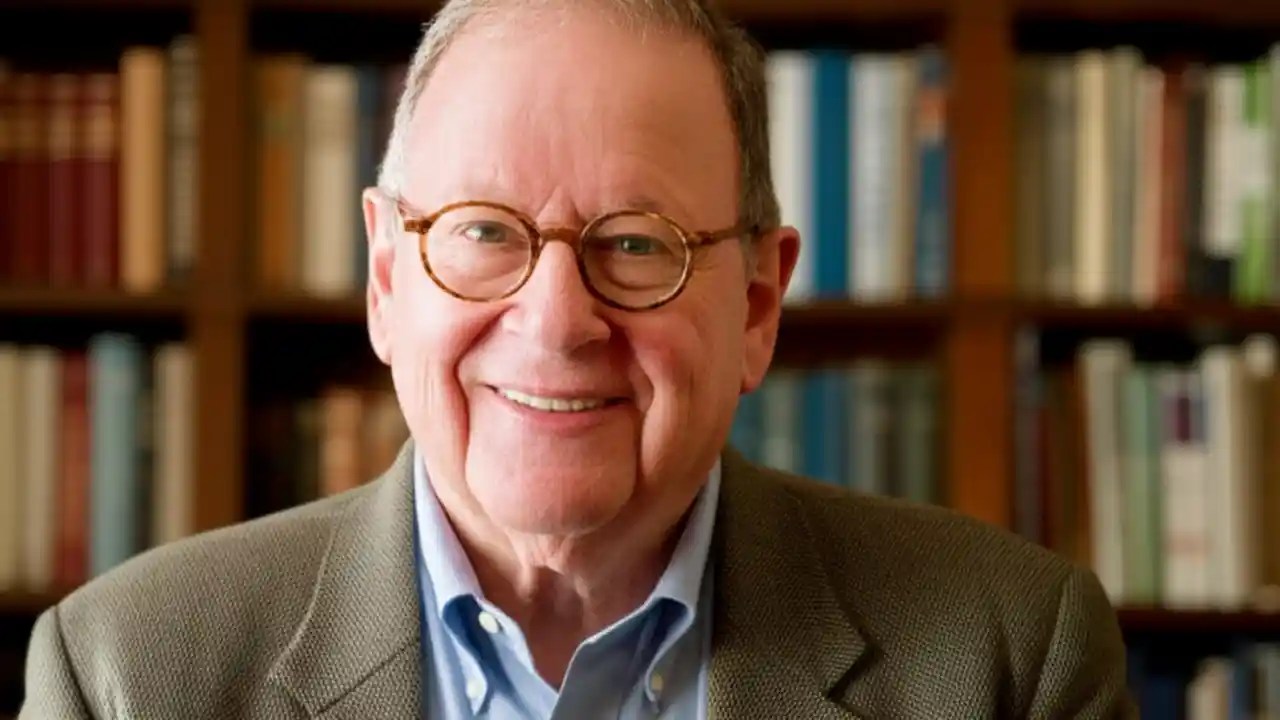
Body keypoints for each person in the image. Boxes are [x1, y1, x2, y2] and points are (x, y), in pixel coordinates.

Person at [20, 0, 1135, 717]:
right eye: (483, 232)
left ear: (754, 304)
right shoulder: (127, 674)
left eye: (637, 244)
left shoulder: (1007, 662)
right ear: (386, 279)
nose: (555, 322)